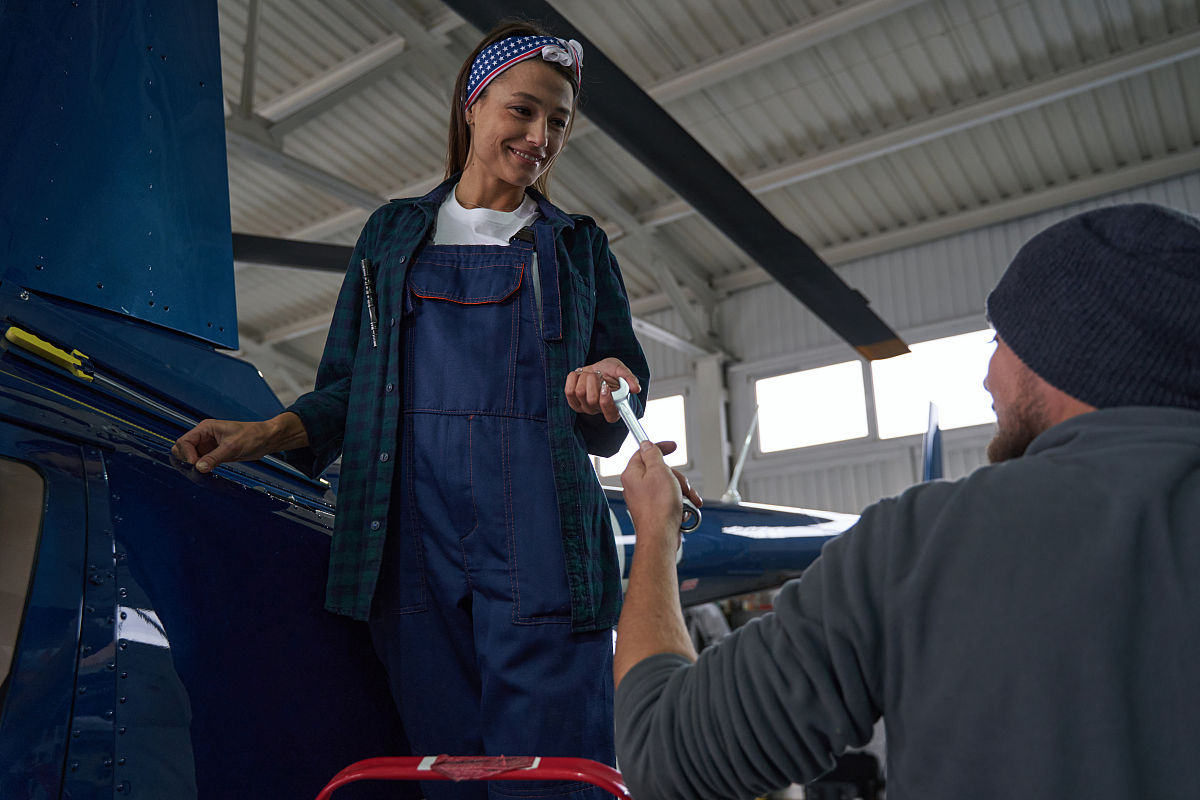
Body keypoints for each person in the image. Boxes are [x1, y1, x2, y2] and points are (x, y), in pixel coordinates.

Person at [173, 21, 650, 800]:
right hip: (409, 558)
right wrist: (266, 433)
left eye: (558, 123)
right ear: (473, 104)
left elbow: (620, 396)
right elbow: (348, 387)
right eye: (522, 111)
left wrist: (609, 382)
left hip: (544, 558)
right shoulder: (390, 237)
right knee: (443, 777)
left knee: (553, 783)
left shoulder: (578, 248)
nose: (540, 137)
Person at [613, 203, 1200, 800]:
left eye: (1000, 341)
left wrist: (656, 536)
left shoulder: (923, 542)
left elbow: (665, 754)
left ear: (1061, 351)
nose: (987, 379)